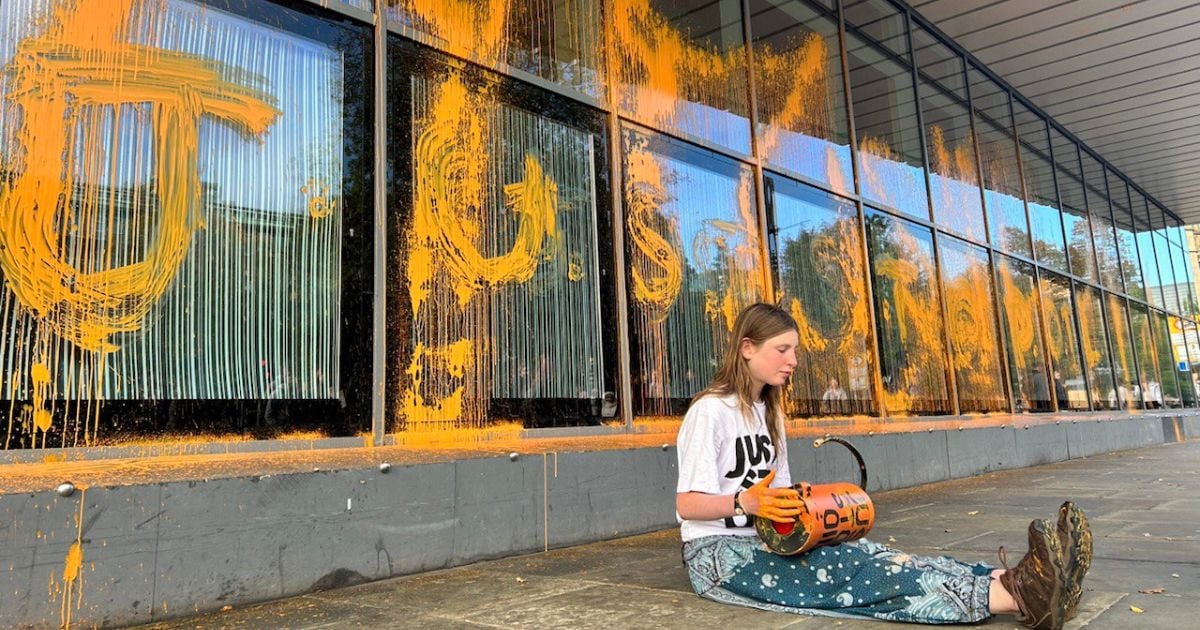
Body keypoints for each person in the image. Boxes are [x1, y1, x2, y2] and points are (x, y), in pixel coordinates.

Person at [677, 303, 1092, 629]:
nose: (793, 361)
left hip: (769, 542)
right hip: (719, 557)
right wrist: (746, 502)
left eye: (795, 351)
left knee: (873, 554)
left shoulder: (770, 413)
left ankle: (1021, 578)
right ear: (747, 348)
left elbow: (774, 497)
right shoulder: (711, 411)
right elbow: (687, 505)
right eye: (782, 350)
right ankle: (1017, 598)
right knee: (856, 573)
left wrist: (800, 505)